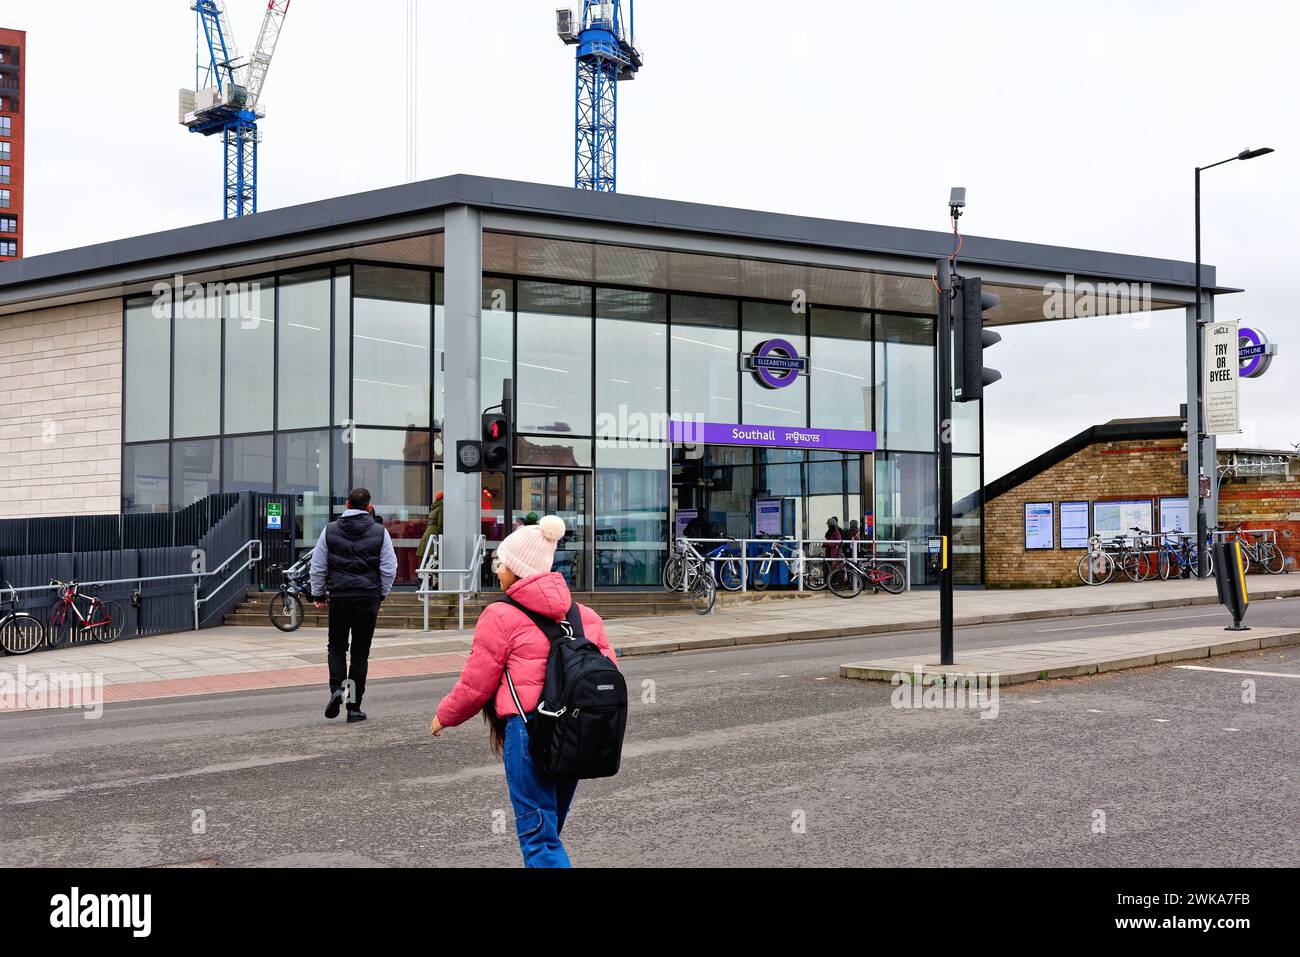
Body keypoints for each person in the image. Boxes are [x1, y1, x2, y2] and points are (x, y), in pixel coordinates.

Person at [429, 515, 619, 868]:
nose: (497, 570)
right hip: (578, 734)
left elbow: (476, 682)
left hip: (530, 731)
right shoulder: (585, 616)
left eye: (501, 563)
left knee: (539, 840)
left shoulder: (499, 614)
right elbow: (608, 672)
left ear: (516, 568)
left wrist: (445, 716)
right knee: (548, 833)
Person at [310, 488, 397, 724]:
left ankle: (337, 688)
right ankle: (353, 707)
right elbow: (390, 568)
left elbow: (317, 566)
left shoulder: (330, 530)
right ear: (369, 507)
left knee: (336, 647)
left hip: (339, 597)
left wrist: (318, 594)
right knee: (360, 653)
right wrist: (381, 594)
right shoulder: (380, 532)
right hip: (367, 598)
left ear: (347, 504)